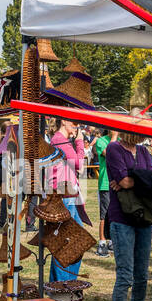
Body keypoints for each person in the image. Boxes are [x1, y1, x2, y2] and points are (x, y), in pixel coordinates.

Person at [105, 116, 152, 301]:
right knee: (125, 273)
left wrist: (130, 178)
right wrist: (132, 180)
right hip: (122, 217)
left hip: (144, 216)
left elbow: (150, 180)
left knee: (142, 272)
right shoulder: (115, 148)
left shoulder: (144, 151)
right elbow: (124, 181)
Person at [48, 116, 88, 283]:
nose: (77, 127)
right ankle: (62, 285)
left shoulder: (60, 140)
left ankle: (63, 283)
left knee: (74, 243)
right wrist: (79, 142)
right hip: (65, 198)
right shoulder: (59, 140)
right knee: (68, 244)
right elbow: (79, 164)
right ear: (63, 121)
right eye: (75, 123)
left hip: (67, 196)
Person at [92, 128, 116, 255]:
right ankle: (102, 243)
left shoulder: (119, 141)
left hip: (118, 183)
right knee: (104, 214)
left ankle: (112, 241)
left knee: (115, 213)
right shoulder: (101, 141)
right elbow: (110, 154)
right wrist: (114, 137)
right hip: (106, 183)